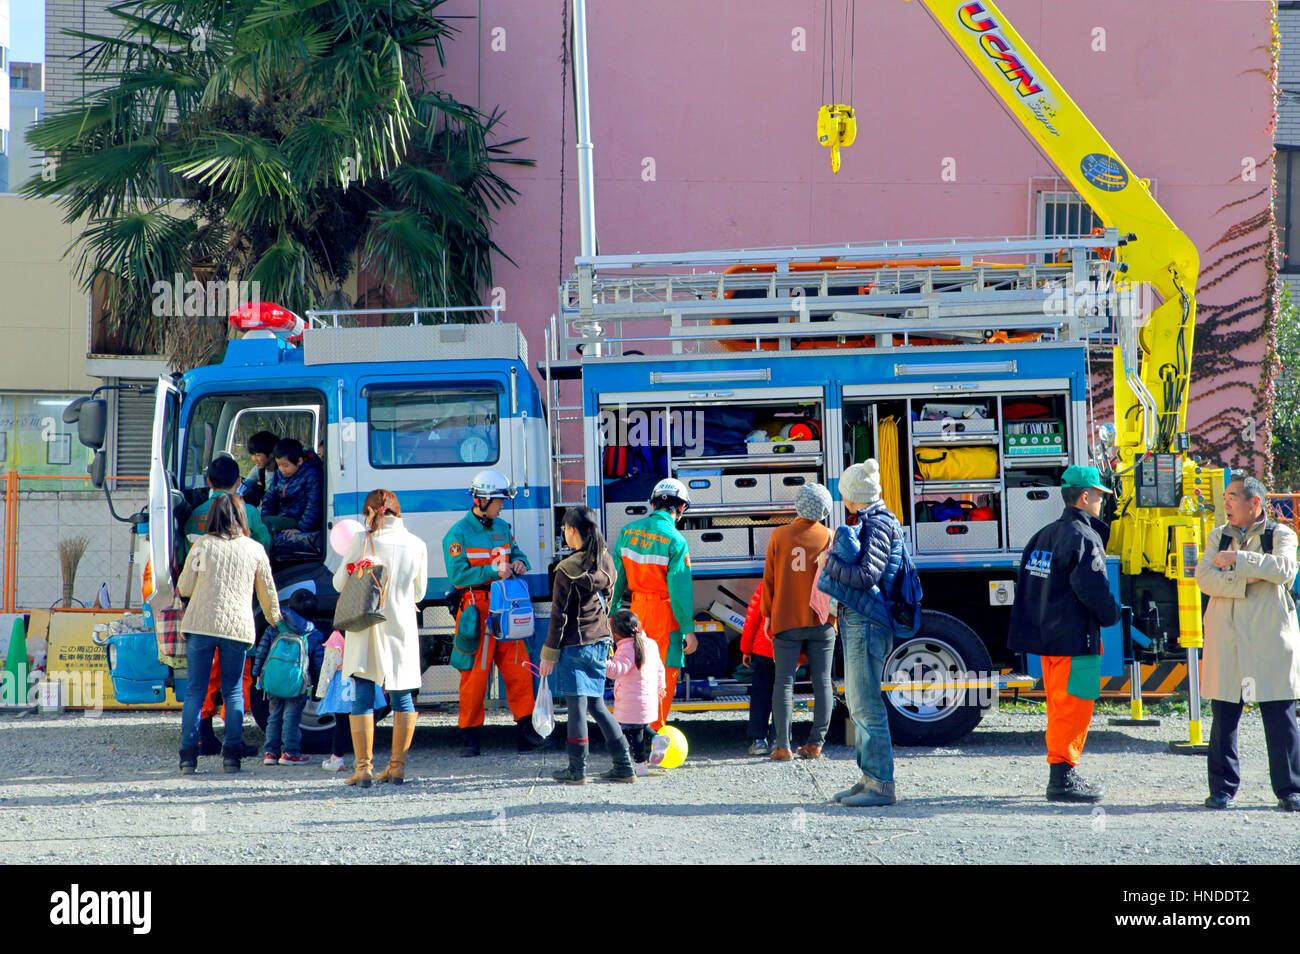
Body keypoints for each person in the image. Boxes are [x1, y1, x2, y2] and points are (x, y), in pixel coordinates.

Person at [1007, 465, 1121, 803]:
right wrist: (1111, 614)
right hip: (1078, 641)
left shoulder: (1042, 536)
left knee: (1059, 707)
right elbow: (1094, 589)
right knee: (1075, 708)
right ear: (1085, 497)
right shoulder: (1085, 538)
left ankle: (1062, 771)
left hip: (1050, 643)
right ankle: (1063, 777)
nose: (1102, 502)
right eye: (1100, 495)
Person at [1196, 475, 1300, 811]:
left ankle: (1290, 788)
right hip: (1228, 638)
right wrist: (1250, 578)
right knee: (1224, 715)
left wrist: (1238, 562)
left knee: (1279, 714)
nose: (1225, 503)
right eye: (1225, 496)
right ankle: (1222, 788)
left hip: (1268, 636)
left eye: (1232, 496)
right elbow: (1204, 577)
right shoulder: (1217, 536)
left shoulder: (1280, 534)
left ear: (1254, 504)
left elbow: (1284, 570)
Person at [817, 460, 905, 807]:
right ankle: (868, 778)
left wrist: (828, 564)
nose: (845, 500)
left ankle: (881, 785)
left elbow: (867, 575)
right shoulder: (870, 522)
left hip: (868, 622)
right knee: (857, 702)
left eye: (846, 495)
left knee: (866, 704)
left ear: (855, 496)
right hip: (861, 620)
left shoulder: (878, 525)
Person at [176, 493, 282, 774]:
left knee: (196, 691)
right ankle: (232, 755)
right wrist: (274, 620)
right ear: (242, 517)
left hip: (199, 625)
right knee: (234, 690)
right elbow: (267, 592)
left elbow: (185, 587)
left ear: (213, 517)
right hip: (237, 628)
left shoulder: (200, 547)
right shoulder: (255, 549)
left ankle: (188, 756)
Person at [442, 470, 545, 757]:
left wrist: (521, 562)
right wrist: (492, 570)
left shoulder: (502, 527)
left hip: (506, 608)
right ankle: (470, 737)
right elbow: (458, 574)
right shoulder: (458, 533)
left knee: (518, 669)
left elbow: (516, 552)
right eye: (499, 500)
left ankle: (526, 731)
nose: (502, 505)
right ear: (483, 499)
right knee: (474, 676)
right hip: (476, 610)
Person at [333, 489, 428, 786]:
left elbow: (339, 583)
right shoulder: (417, 544)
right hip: (400, 626)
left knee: (363, 695)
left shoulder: (362, 540)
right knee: (402, 696)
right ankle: (397, 767)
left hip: (367, 626)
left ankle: (364, 769)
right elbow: (420, 593)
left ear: (371, 512)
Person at [539, 506, 635, 784]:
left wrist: (549, 653)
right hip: (601, 641)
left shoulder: (567, 570)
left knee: (577, 708)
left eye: (565, 530)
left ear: (572, 530)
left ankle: (577, 770)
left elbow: (559, 617)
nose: (564, 535)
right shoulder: (607, 562)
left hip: (574, 645)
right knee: (597, 705)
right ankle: (624, 765)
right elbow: (608, 598)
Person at [187, 455, 271, 757]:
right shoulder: (247, 511)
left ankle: (200, 739)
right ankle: (234, 744)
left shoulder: (194, 514)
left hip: (200, 610)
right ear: (239, 483)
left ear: (208, 482)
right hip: (239, 608)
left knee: (203, 679)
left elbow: (188, 567)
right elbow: (265, 549)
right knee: (237, 680)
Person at [608, 477, 698, 729]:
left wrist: (611, 613)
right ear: (680, 508)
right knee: (662, 676)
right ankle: (653, 734)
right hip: (665, 615)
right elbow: (679, 591)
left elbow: (615, 580)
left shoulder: (628, 532)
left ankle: (630, 735)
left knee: (633, 673)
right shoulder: (676, 540)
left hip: (635, 613)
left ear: (653, 503)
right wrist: (688, 630)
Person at [764, 482, 835, 761]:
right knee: (823, 682)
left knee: (784, 681)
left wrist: (768, 616)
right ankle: (816, 743)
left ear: (798, 505)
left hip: (786, 618)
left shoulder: (780, 535)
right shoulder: (830, 536)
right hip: (822, 619)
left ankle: (783, 746)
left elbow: (769, 580)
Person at [252, 589, 326, 766]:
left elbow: (262, 651)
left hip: (273, 680)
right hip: (297, 683)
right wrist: (317, 686)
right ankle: (290, 753)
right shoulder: (313, 634)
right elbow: (317, 663)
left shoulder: (275, 627)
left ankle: (270, 753)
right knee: (292, 718)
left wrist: (256, 674)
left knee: (274, 715)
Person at [606, 609, 666, 776]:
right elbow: (660, 668)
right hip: (649, 698)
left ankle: (639, 765)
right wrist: (661, 686)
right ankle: (655, 738)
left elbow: (616, 671)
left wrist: (602, 662)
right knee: (642, 727)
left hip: (630, 701)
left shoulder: (625, 649)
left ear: (616, 633)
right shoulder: (651, 644)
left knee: (635, 732)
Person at [261, 437, 325, 551]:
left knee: (264, 524)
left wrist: (301, 528)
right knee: (260, 521)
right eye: (279, 465)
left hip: (298, 519)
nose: (282, 469)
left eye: (285, 465)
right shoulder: (279, 474)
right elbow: (270, 498)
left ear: (299, 461)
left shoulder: (312, 474)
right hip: (283, 516)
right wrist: (266, 516)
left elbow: (314, 505)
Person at [739, 587, 775, 755]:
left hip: (764, 650)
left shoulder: (765, 586)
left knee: (760, 696)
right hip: (788, 650)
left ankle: (759, 741)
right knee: (783, 697)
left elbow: (752, 619)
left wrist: (746, 649)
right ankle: (780, 741)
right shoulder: (796, 583)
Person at [240, 430, 279, 507]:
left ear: (271, 454)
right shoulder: (259, 469)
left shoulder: (282, 471)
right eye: (252, 455)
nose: (254, 459)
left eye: (258, 455)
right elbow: (246, 484)